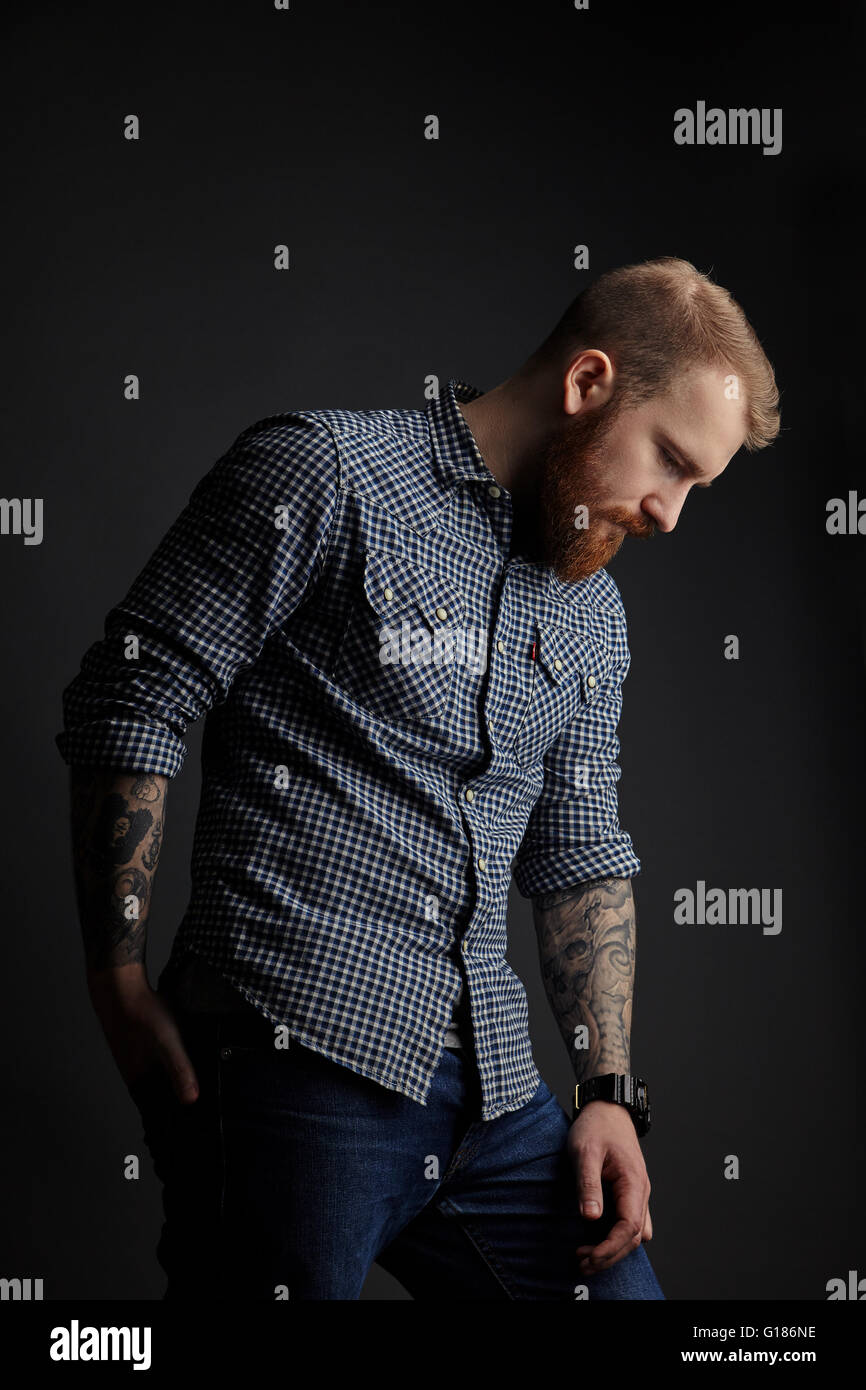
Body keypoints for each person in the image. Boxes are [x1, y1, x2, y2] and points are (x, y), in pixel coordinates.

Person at [56, 256, 780, 1300]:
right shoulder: (323, 474)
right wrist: (115, 981)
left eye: (694, 486)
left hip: (493, 1094)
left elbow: (577, 848)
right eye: (668, 460)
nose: (669, 512)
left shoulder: (590, 609)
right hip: (293, 1061)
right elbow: (134, 693)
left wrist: (607, 1092)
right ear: (586, 384)